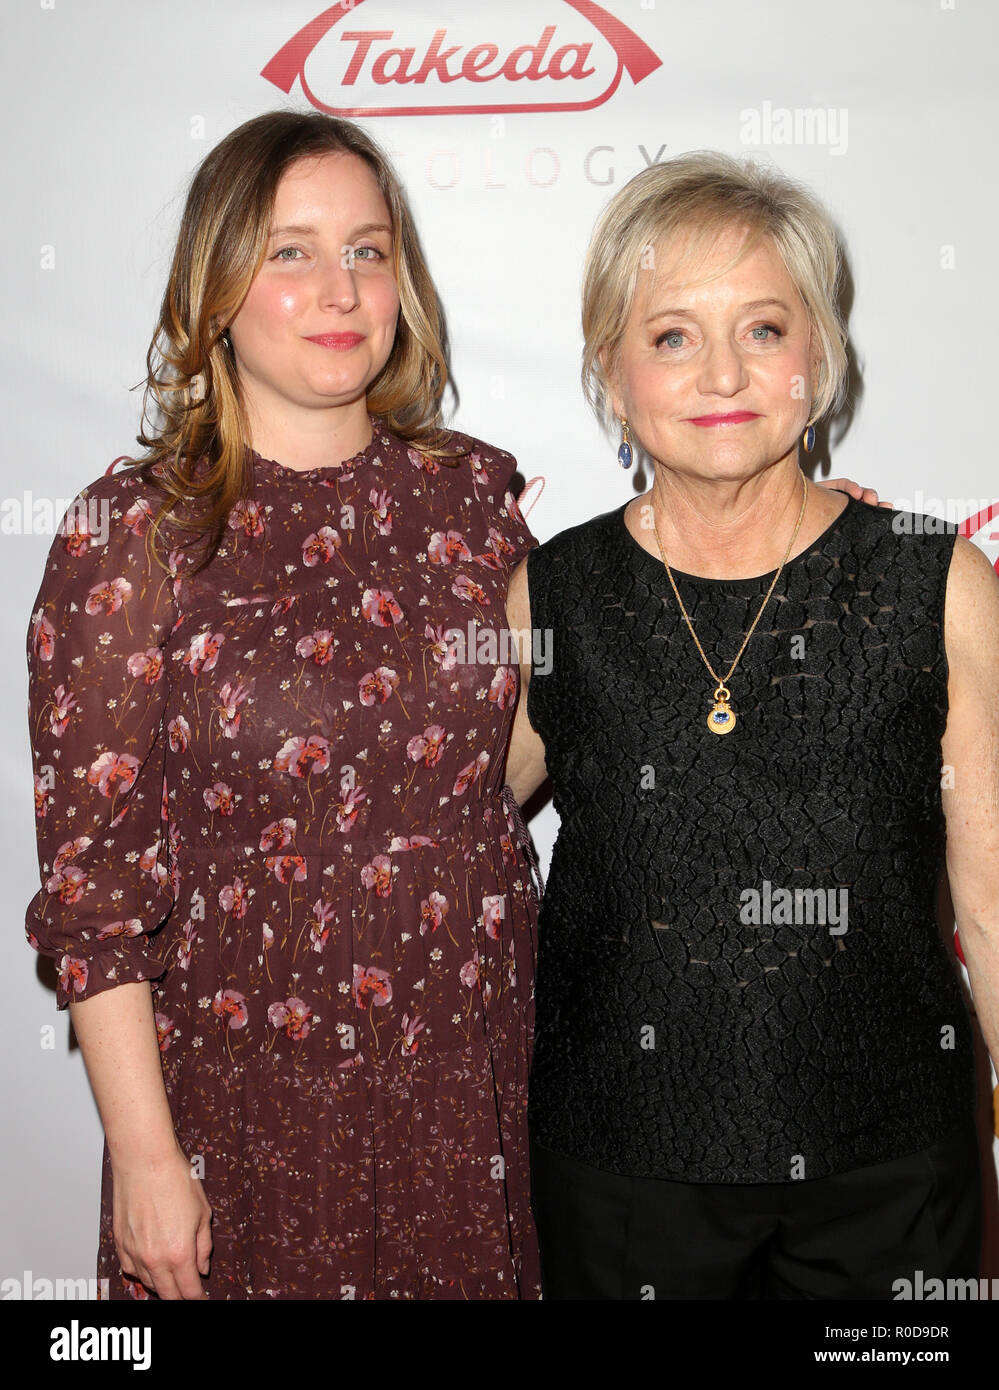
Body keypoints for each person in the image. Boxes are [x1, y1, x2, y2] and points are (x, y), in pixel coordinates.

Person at [24, 110, 544, 1301]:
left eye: (367, 249)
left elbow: (500, 774)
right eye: (290, 251)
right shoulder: (132, 534)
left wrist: (761, 554)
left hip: (460, 1080)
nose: (341, 287)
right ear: (214, 290)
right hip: (242, 1105)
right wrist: (150, 1161)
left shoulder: (473, 499)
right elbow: (93, 896)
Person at [503, 150, 999, 1299]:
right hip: (623, 1174)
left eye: (765, 328)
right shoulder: (550, 597)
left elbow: (990, 897)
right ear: (609, 374)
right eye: (672, 335)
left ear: (819, 355)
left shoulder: (935, 583)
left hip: (895, 1183)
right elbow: (445, 839)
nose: (721, 370)